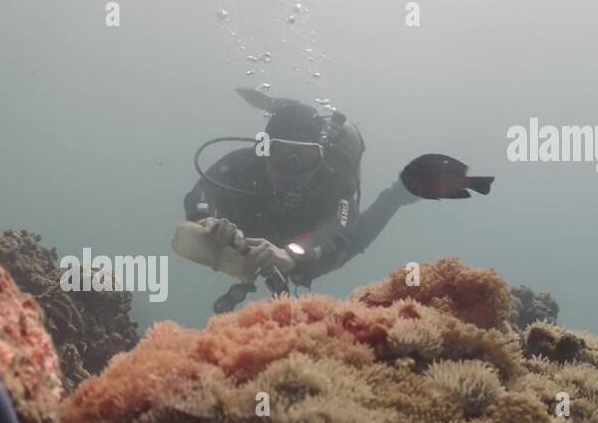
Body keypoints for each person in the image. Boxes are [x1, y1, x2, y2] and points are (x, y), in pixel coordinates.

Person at [178, 91, 423, 310]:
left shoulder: (332, 179)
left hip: (308, 244)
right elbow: (204, 190)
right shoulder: (242, 164)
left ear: (320, 156)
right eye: (282, 154)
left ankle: (395, 196)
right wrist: (205, 219)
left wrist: (294, 255)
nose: (293, 170)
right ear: (264, 151)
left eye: (305, 157)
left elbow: (339, 227)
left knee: (351, 241)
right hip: (250, 233)